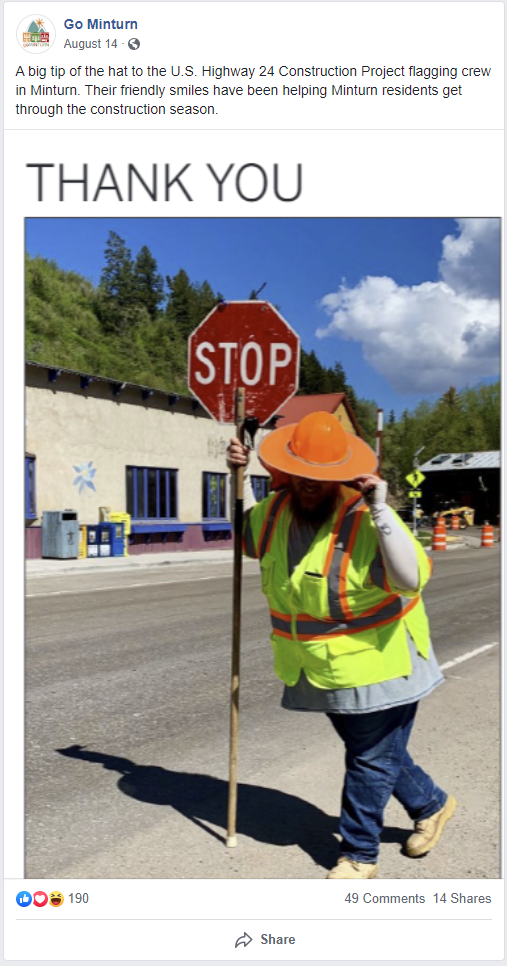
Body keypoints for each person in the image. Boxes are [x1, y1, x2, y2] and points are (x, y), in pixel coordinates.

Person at [228, 411, 456, 880]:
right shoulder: (273, 512)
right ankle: (433, 805)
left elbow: (410, 579)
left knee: (370, 757)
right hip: (321, 666)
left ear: (339, 474)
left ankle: (358, 854)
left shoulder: (364, 517)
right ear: (288, 470)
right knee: (378, 750)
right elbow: (244, 539)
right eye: (303, 474)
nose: (311, 484)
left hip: (384, 660)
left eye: (322, 476)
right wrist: (238, 477)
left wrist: (379, 507)